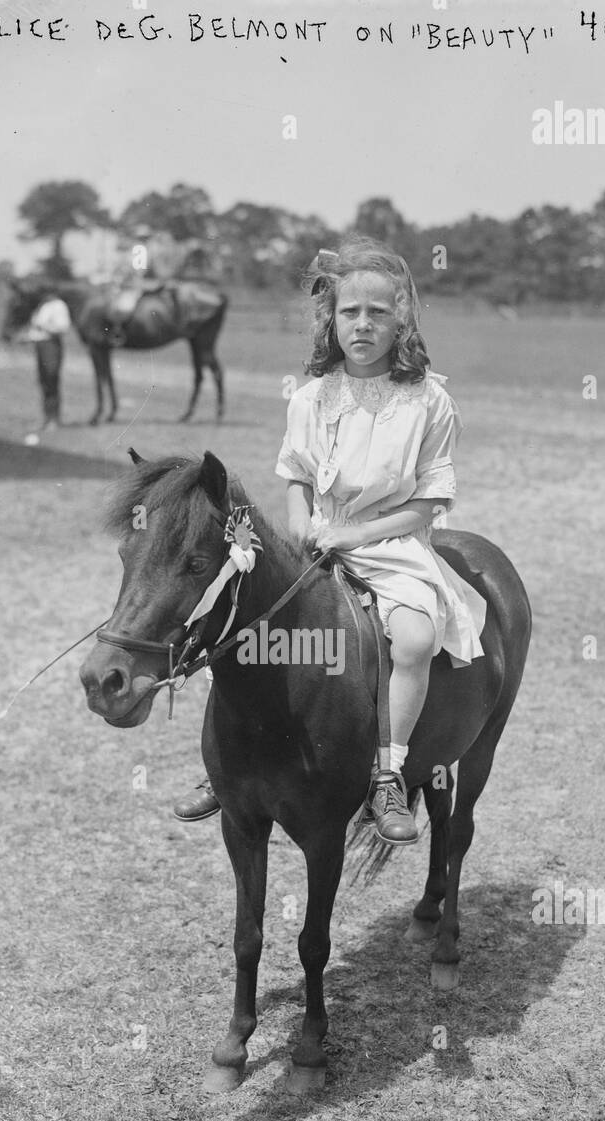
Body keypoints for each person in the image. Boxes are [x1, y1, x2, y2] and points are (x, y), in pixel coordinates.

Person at [173, 236, 485, 843]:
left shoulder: (429, 401)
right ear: (331, 320)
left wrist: (357, 532)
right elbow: (294, 473)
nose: (363, 325)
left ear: (402, 321)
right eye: (350, 312)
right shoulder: (312, 396)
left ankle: (388, 775)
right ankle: (226, 766)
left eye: (378, 312)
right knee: (237, 623)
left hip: (392, 544)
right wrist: (299, 522)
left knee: (416, 638)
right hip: (313, 540)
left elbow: (430, 500)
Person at [23, 283, 71, 431]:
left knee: (52, 380)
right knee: (43, 381)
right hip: (40, 345)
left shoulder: (59, 306)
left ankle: (54, 419)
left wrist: (43, 327)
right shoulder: (43, 307)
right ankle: (46, 417)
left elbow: (63, 327)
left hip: (51, 346)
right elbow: (36, 328)